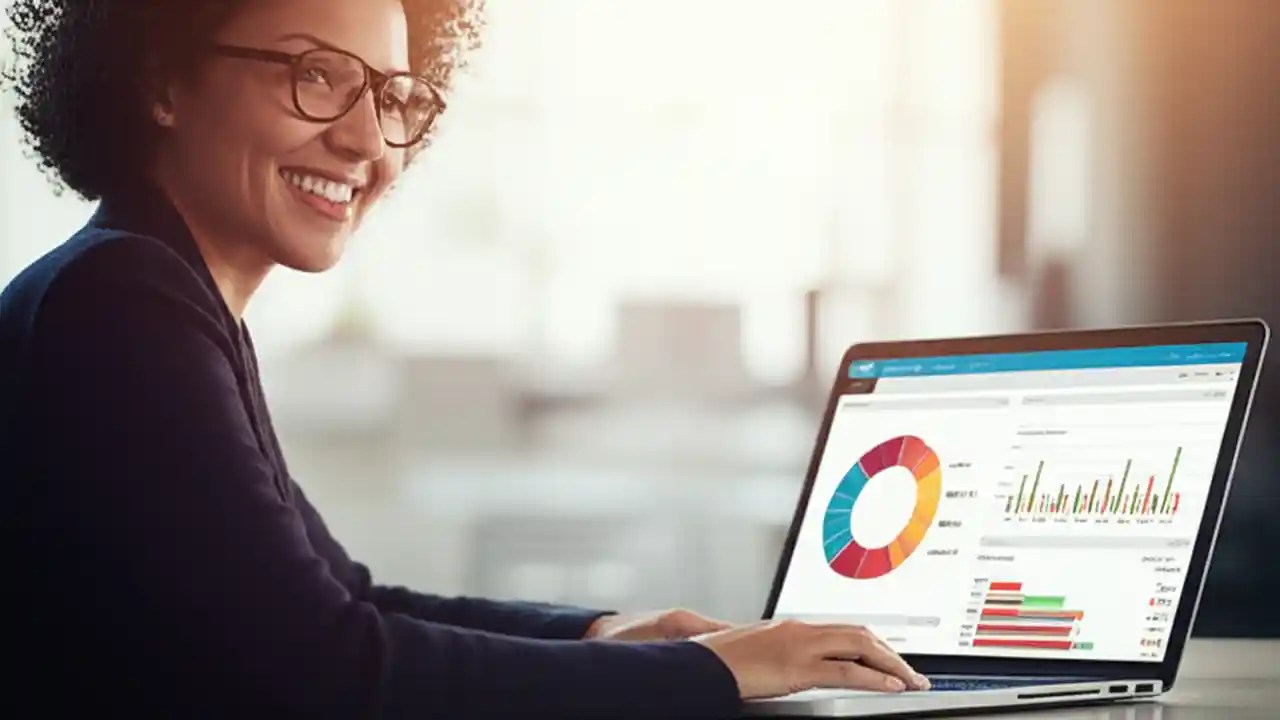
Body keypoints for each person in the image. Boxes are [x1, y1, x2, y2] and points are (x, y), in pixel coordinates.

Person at [0, 0, 930, 716]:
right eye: (316, 77)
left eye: (394, 97)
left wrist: (608, 635)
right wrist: (706, 674)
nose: (367, 140)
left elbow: (349, 600)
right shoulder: (125, 303)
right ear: (161, 79)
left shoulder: (154, 289)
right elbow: (325, 667)